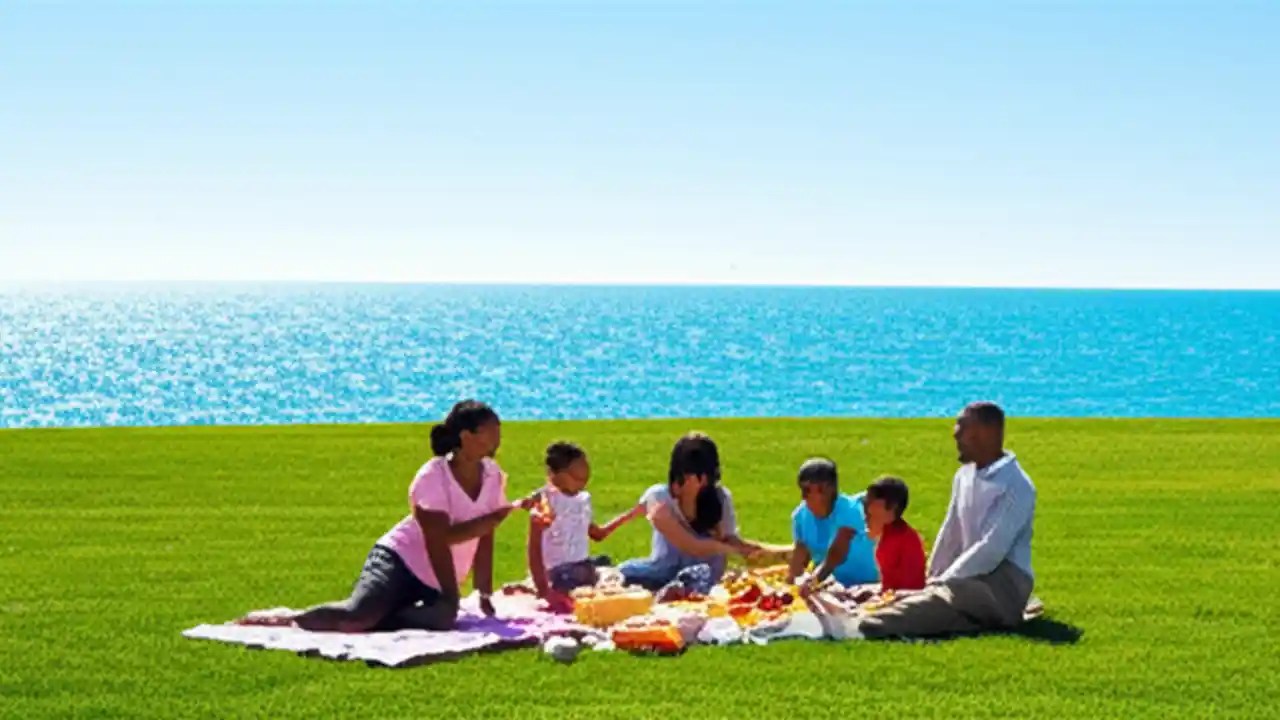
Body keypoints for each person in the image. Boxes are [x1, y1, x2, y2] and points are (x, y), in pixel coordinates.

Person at [290, 400, 523, 632]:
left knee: (440, 620)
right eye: (490, 431)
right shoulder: (433, 476)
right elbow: (439, 541)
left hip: (434, 580)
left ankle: (384, 619)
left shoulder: (494, 475)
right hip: (398, 563)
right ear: (465, 436)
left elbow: (484, 537)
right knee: (357, 617)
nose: (497, 438)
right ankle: (292, 622)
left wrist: (483, 593)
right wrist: (452, 598)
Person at [857, 401, 1036, 638]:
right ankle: (879, 620)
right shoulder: (963, 476)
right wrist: (930, 581)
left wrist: (940, 584)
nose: (955, 433)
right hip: (967, 580)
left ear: (985, 433)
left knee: (943, 598)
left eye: (962, 427)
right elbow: (950, 531)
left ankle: (874, 622)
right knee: (942, 607)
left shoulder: (1018, 486)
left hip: (1004, 584)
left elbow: (991, 549)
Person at [618, 432, 765, 591]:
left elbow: (729, 539)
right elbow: (691, 546)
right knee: (623, 575)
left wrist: (754, 551)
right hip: (662, 574)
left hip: (705, 578)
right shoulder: (660, 498)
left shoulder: (720, 499)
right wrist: (733, 550)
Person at [527, 441, 644, 608]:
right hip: (559, 572)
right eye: (576, 478)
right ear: (554, 475)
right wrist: (543, 589)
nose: (582, 484)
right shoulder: (546, 501)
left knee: (607, 565)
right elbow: (534, 552)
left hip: (583, 566)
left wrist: (631, 515)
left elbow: (597, 534)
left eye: (585, 479)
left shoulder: (583, 500)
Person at [786, 458, 879, 594]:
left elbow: (836, 555)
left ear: (827, 490)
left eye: (807, 490)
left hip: (864, 587)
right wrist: (788, 588)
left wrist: (812, 582)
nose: (803, 497)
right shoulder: (800, 516)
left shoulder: (850, 511)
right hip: (828, 588)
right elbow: (800, 558)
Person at [862, 475, 927, 592]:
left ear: (892, 506)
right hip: (891, 594)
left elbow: (908, 588)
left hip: (905, 600)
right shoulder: (889, 532)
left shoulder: (903, 540)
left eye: (871, 501)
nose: (866, 505)